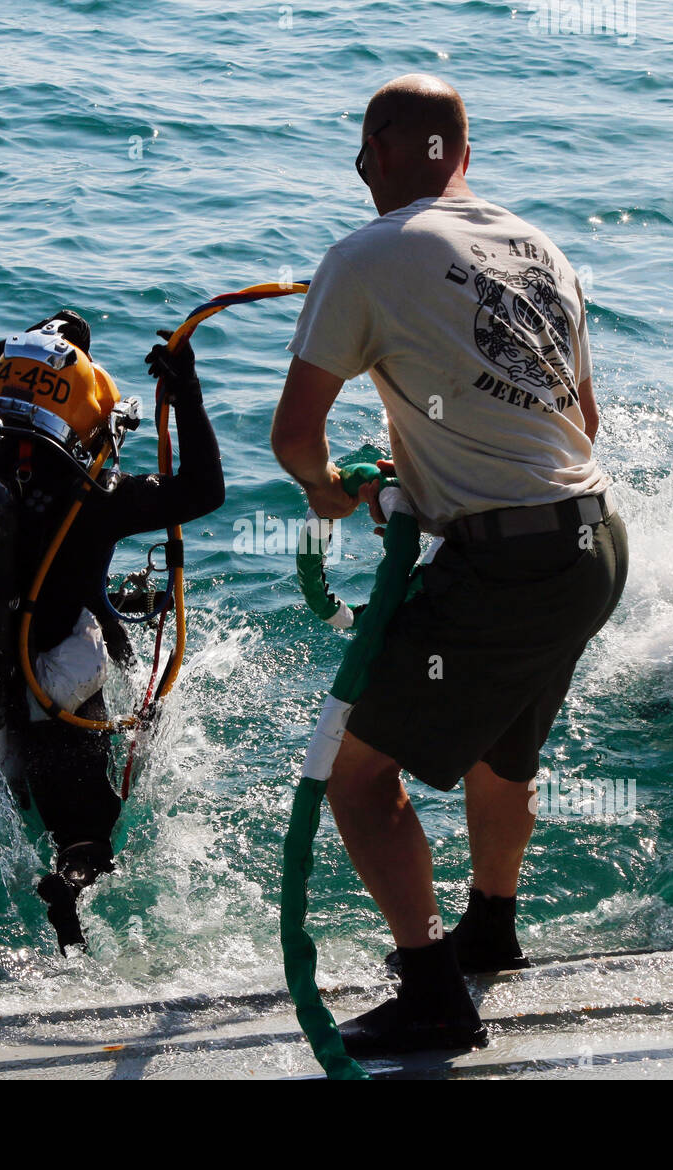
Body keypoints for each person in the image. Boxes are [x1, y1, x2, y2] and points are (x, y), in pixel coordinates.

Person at [272, 75, 628, 1055]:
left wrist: (332, 490)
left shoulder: (365, 255)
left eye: (359, 154)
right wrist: (425, 469)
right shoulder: (542, 250)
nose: (356, 172)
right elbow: (575, 427)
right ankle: (491, 930)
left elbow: (296, 436)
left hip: (509, 565)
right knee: (500, 750)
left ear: (382, 150)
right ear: (461, 153)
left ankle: (432, 989)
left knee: (353, 777)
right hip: (593, 545)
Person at [0, 309, 224, 952]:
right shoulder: (98, 495)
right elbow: (205, 490)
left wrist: (34, 342)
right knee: (88, 836)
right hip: (53, 688)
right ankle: (69, 900)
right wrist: (188, 391)